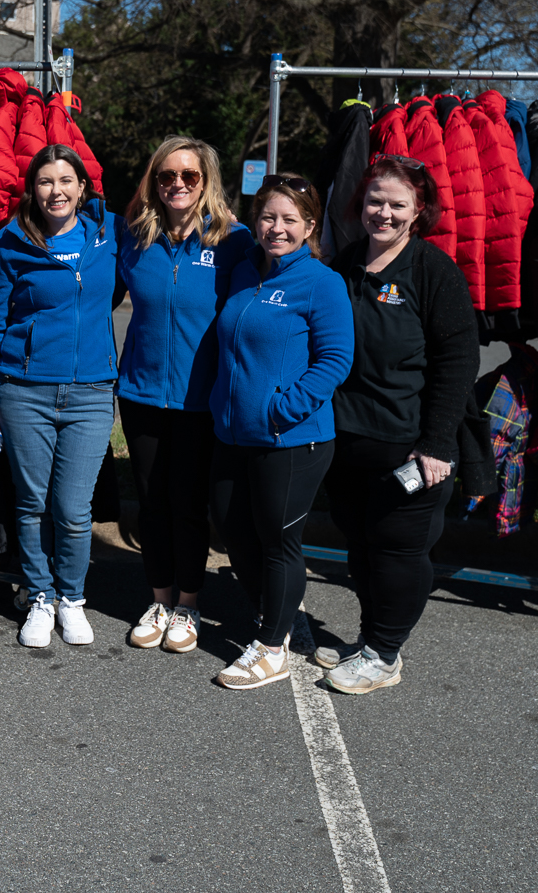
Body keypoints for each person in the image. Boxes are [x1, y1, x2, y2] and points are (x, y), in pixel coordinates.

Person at [319, 155, 477, 694]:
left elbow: (458, 362)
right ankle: (368, 640)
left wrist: (436, 443)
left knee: (398, 551)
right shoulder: (342, 265)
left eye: (396, 204)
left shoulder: (434, 273)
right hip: (345, 441)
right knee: (361, 547)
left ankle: (385, 655)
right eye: (374, 201)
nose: (382, 213)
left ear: (419, 210)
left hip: (409, 447)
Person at [208, 175, 353, 690]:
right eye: (269, 217)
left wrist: (281, 408)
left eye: (290, 219)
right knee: (230, 527)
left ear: (310, 226)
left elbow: (336, 359)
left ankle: (272, 649)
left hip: (291, 438)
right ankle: (278, 616)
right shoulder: (246, 272)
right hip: (232, 433)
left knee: (278, 540)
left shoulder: (321, 283)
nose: (277, 228)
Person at [0, 145, 119, 648]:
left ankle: (72, 598)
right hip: (23, 392)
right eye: (44, 182)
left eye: (65, 181)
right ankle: (40, 595)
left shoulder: (110, 233)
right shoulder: (10, 242)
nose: (56, 191)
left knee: (75, 510)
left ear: (82, 187)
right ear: (32, 190)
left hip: (92, 394)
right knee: (32, 503)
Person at [116, 137, 253, 654]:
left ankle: (189, 605)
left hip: (202, 401)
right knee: (152, 503)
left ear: (206, 181)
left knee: (189, 505)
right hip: (142, 393)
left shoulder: (235, 242)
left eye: (189, 176)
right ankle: (158, 598)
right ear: (154, 181)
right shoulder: (133, 237)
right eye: (166, 175)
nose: (177, 184)